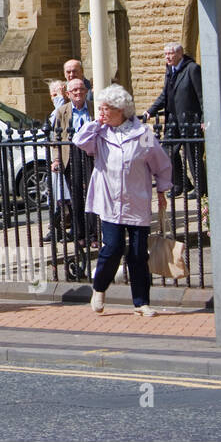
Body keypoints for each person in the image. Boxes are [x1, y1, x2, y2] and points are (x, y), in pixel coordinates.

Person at [74, 84, 173, 318]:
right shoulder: (100, 134)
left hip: (136, 201)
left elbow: (161, 163)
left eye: (108, 108)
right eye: (101, 107)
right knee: (112, 248)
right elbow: (79, 141)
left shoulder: (143, 134)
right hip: (109, 201)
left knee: (138, 254)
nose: (103, 112)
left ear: (122, 111)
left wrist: (162, 190)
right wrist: (97, 123)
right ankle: (99, 288)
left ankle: (141, 302)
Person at [143, 42, 206, 198]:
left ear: (180, 54)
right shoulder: (169, 70)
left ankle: (201, 188)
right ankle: (181, 184)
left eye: (170, 54)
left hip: (190, 120)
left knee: (193, 154)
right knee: (168, 152)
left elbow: (202, 96)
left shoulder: (192, 69)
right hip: (173, 120)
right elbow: (165, 95)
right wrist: (151, 110)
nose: (167, 57)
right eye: (165, 54)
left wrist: (204, 119)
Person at [49, 78, 96, 245]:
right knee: (76, 196)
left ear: (86, 91)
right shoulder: (62, 111)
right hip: (71, 154)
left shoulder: (93, 107)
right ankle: (80, 234)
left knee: (93, 194)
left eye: (81, 89)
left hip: (91, 154)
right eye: (74, 90)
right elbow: (56, 138)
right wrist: (56, 160)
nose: (78, 93)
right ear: (68, 94)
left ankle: (94, 234)